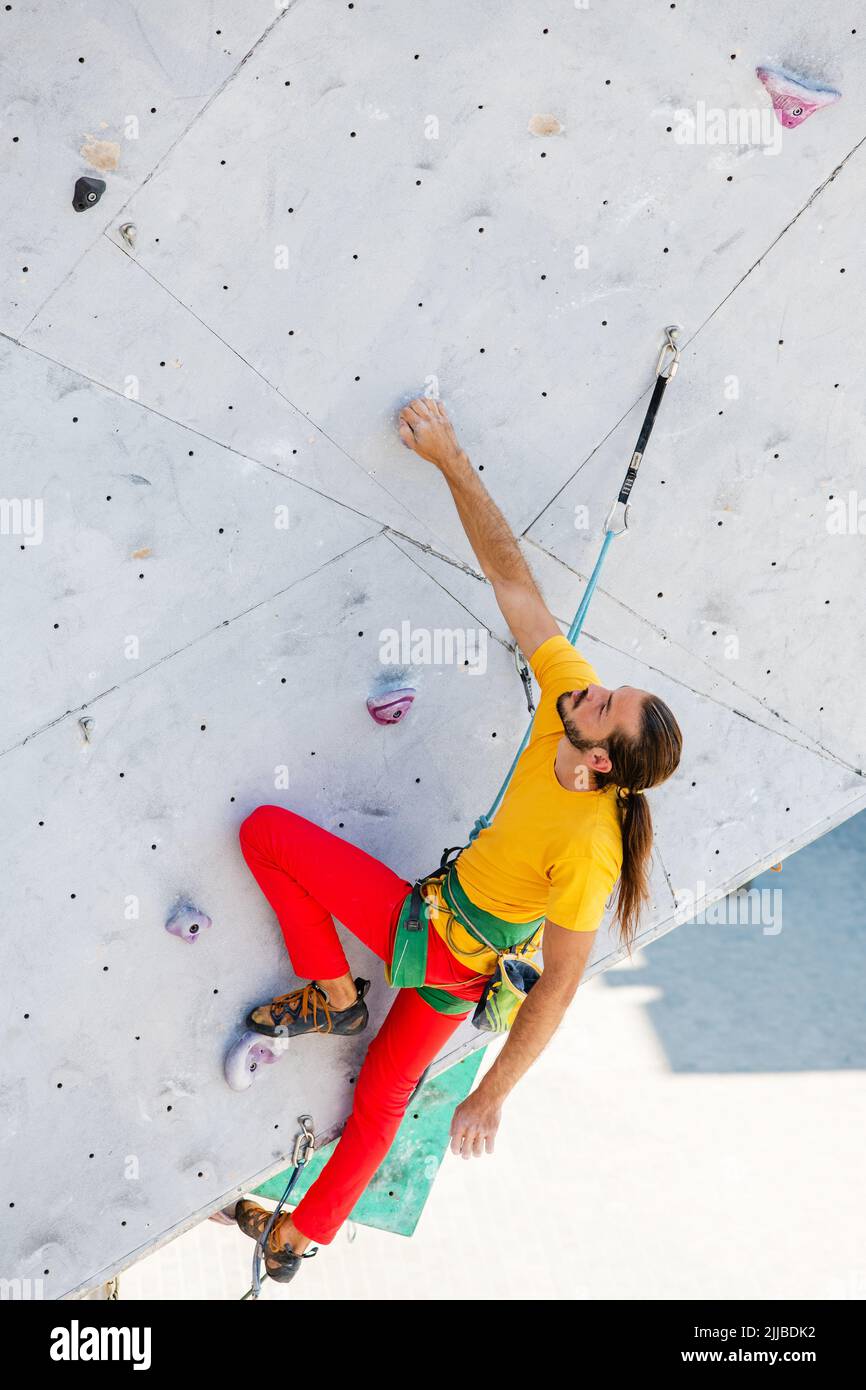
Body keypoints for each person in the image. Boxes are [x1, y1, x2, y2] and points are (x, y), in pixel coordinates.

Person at [227, 397, 683, 1282]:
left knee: (268, 835)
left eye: (601, 706)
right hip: (462, 954)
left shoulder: (589, 851)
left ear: (597, 763)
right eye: (606, 689)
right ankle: (299, 1241)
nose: (588, 690)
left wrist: (490, 1096)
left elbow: (557, 988)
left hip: (439, 940)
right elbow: (516, 585)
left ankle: (330, 994)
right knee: (384, 1100)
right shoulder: (568, 707)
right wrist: (450, 459)